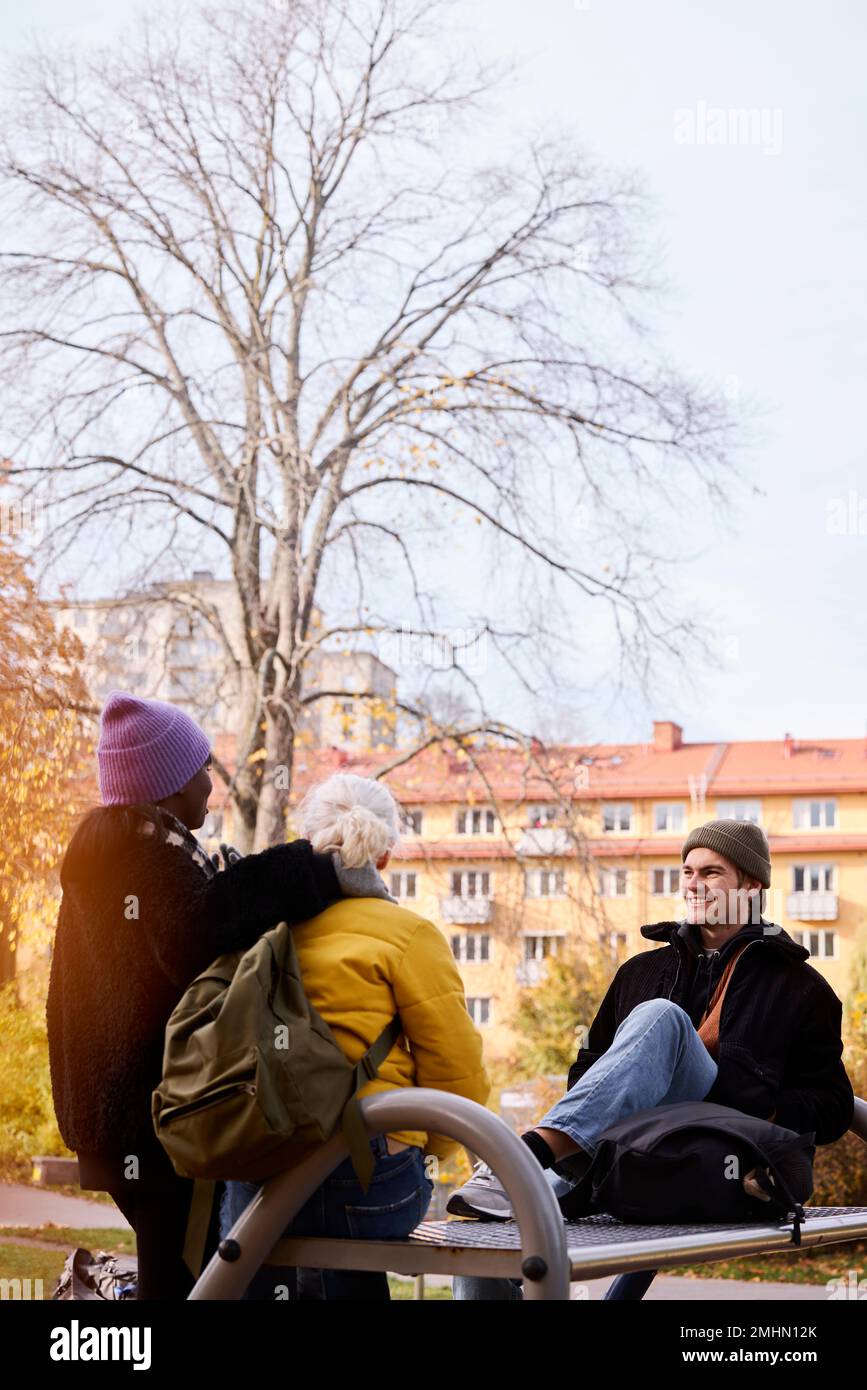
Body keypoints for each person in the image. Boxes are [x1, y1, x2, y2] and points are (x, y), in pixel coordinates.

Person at [46, 690, 372, 1301]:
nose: (209, 785)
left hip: (109, 1114)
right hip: (147, 1118)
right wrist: (311, 869)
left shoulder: (122, 850)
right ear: (169, 783)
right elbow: (196, 933)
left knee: (188, 1269)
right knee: (186, 1275)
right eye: (201, 770)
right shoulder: (142, 855)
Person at [450, 817, 855, 1299]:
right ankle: (526, 1170)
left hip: (718, 1148)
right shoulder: (641, 971)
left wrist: (761, 1105)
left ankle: (525, 1157)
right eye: (687, 871)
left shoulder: (799, 986)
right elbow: (587, 1069)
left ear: (751, 884)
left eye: (711, 872)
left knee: (661, 1018)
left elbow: (833, 1106)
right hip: (623, 1149)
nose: (693, 884)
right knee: (483, 1242)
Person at [219, 771, 492, 1300]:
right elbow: (457, 1073)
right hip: (370, 1189)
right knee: (351, 1201)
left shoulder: (261, 931)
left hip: (254, 1178)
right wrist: (424, 1145)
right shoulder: (409, 936)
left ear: (307, 844)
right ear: (385, 854)